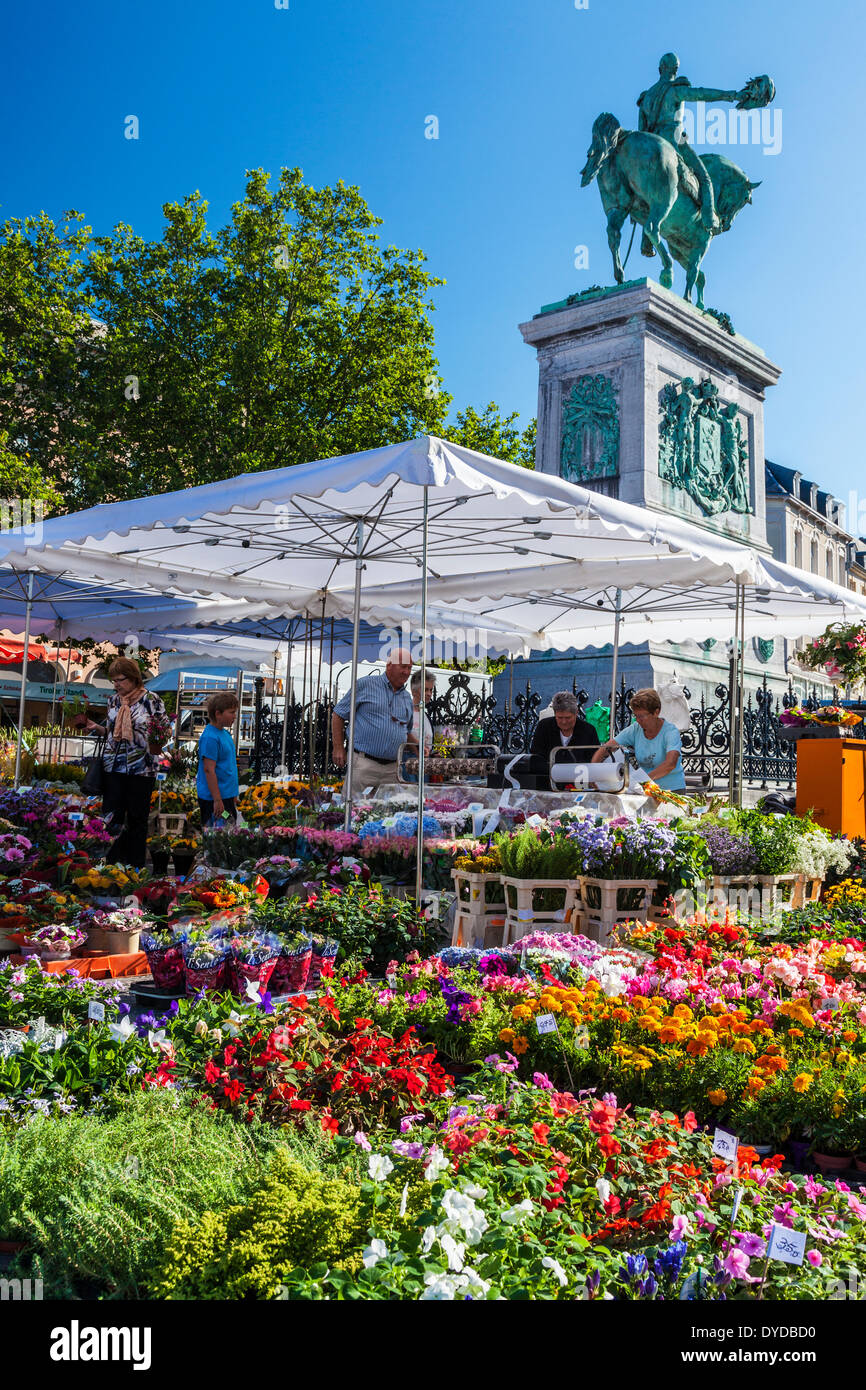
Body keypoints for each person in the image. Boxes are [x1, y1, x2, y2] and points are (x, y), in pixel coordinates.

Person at [84, 657, 169, 867]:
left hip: (141, 768)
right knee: (112, 817)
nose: (116, 684)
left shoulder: (151, 700)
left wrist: (154, 738)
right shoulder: (113, 701)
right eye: (113, 681)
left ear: (132, 678)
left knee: (137, 819)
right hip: (114, 767)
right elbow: (113, 733)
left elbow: (164, 731)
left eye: (120, 680)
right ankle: (112, 864)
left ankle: (135, 866)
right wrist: (97, 728)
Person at [331, 648, 415, 796]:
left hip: (392, 769)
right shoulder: (365, 685)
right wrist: (338, 748)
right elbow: (338, 714)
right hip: (364, 764)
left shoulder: (407, 698)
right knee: (354, 811)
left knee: (387, 814)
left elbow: (405, 731)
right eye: (403, 666)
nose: (407, 672)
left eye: (409, 668)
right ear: (389, 665)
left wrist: (421, 749)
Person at [592, 687, 686, 791]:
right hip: (645, 789)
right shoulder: (635, 729)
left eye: (641, 716)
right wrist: (592, 772)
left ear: (656, 712)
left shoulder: (670, 732)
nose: (638, 720)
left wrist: (643, 781)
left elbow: (670, 764)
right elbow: (607, 747)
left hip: (672, 790)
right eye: (635, 715)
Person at [529, 691, 600, 782]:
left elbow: (594, 760)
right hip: (548, 781)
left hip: (579, 782)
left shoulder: (588, 730)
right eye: (560, 717)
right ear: (554, 714)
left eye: (568, 718)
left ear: (576, 713)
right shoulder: (544, 726)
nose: (564, 722)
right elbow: (536, 757)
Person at [197, 692, 240, 827]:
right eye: (231, 712)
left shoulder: (224, 733)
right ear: (218, 714)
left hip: (225, 796)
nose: (235, 716)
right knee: (216, 834)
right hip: (214, 799)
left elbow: (228, 764)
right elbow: (209, 769)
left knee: (230, 827)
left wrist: (232, 793)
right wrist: (217, 799)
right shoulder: (210, 737)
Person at [410, 669, 435, 754]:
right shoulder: (406, 713)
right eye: (425, 690)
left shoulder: (426, 716)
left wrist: (432, 754)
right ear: (414, 692)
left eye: (431, 690)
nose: (429, 694)